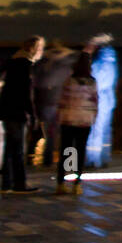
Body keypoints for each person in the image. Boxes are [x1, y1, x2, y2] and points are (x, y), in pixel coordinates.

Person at [0, 36, 44, 193]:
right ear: (32, 49)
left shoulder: (12, 62)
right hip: (16, 111)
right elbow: (25, 93)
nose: (41, 51)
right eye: (40, 48)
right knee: (17, 149)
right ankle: (19, 184)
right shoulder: (25, 65)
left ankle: (6, 183)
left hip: (6, 109)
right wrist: (32, 114)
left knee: (10, 148)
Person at [55, 52, 99, 195]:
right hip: (85, 121)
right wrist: (93, 117)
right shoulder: (92, 82)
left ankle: (61, 183)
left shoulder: (69, 81)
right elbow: (95, 102)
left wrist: (60, 116)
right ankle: (77, 184)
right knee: (80, 150)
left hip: (68, 120)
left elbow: (62, 100)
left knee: (67, 150)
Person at [31, 40, 75, 169]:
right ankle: (69, 163)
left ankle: (48, 159)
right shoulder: (67, 64)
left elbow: (37, 82)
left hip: (48, 103)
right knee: (66, 133)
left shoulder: (44, 64)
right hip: (62, 103)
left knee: (50, 133)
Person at [85, 34, 117, 167]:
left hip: (99, 98)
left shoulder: (99, 63)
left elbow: (95, 80)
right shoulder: (112, 62)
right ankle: (104, 157)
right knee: (105, 129)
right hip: (108, 98)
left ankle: (93, 160)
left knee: (95, 131)